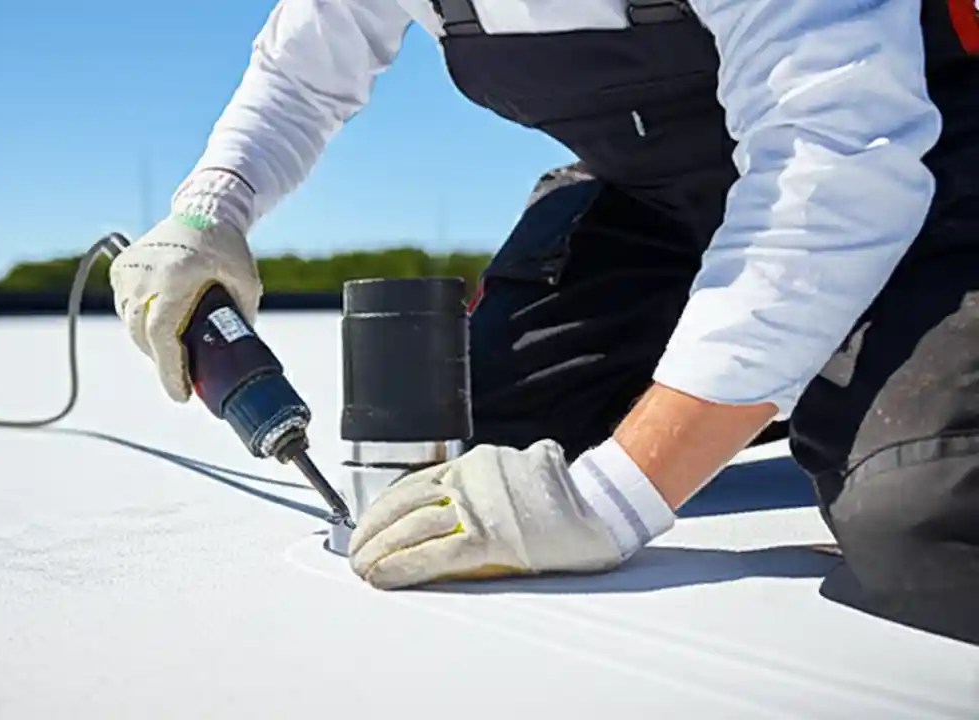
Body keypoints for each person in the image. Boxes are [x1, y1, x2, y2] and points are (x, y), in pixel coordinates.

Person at [109, 1, 979, 644]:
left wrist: (610, 500)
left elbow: (829, 165)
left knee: (930, 506)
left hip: (922, 177)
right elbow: (298, 77)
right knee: (476, 444)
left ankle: (818, 374)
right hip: (661, 201)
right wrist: (207, 214)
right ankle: (771, 378)